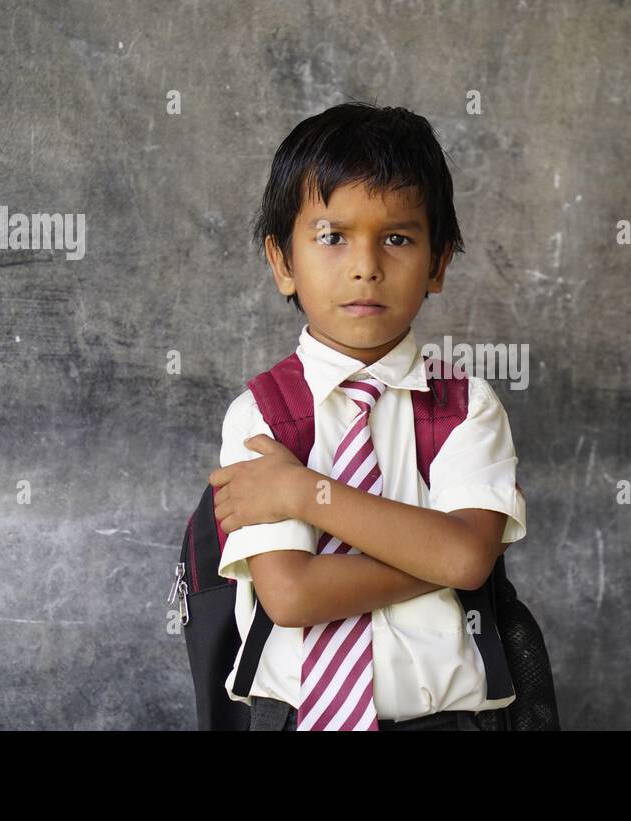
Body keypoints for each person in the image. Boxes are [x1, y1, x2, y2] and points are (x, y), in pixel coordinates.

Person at [207, 102, 526, 731]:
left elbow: (465, 563)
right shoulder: (261, 417)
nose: (366, 265)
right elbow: (293, 595)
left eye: (398, 238)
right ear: (282, 262)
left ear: (438, 264)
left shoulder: (465, 408)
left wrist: (301, 492)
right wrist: (434, 550)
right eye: (332, 236)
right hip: (296, 718)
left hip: (445, 722)